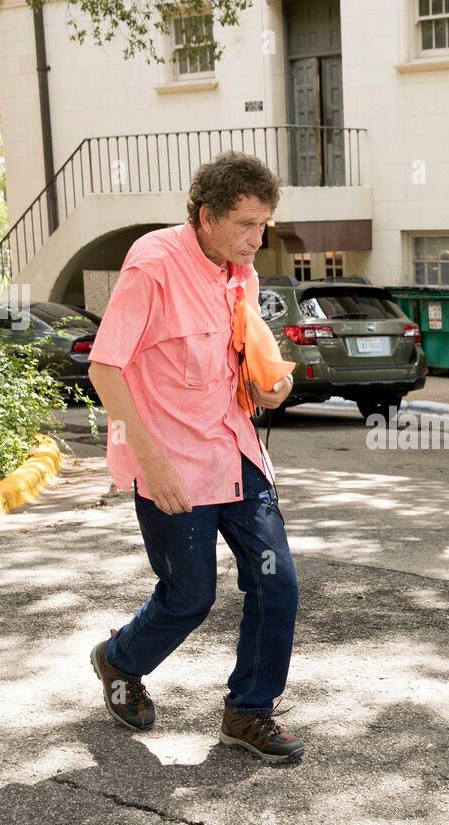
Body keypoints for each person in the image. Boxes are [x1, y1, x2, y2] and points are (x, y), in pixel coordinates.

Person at [86, 151, 304, 764]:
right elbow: (106, 368)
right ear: (205, 216)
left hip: (235, 450)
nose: (257, 239)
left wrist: (269, 386)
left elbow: (243, 357)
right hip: (171, 460)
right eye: (245, 224)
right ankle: (120, 659)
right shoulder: (152, 266)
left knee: (277, 583)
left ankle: (248, 711)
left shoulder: (242, 274)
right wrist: (151, 465)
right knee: (189, 597)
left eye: (264, 225)